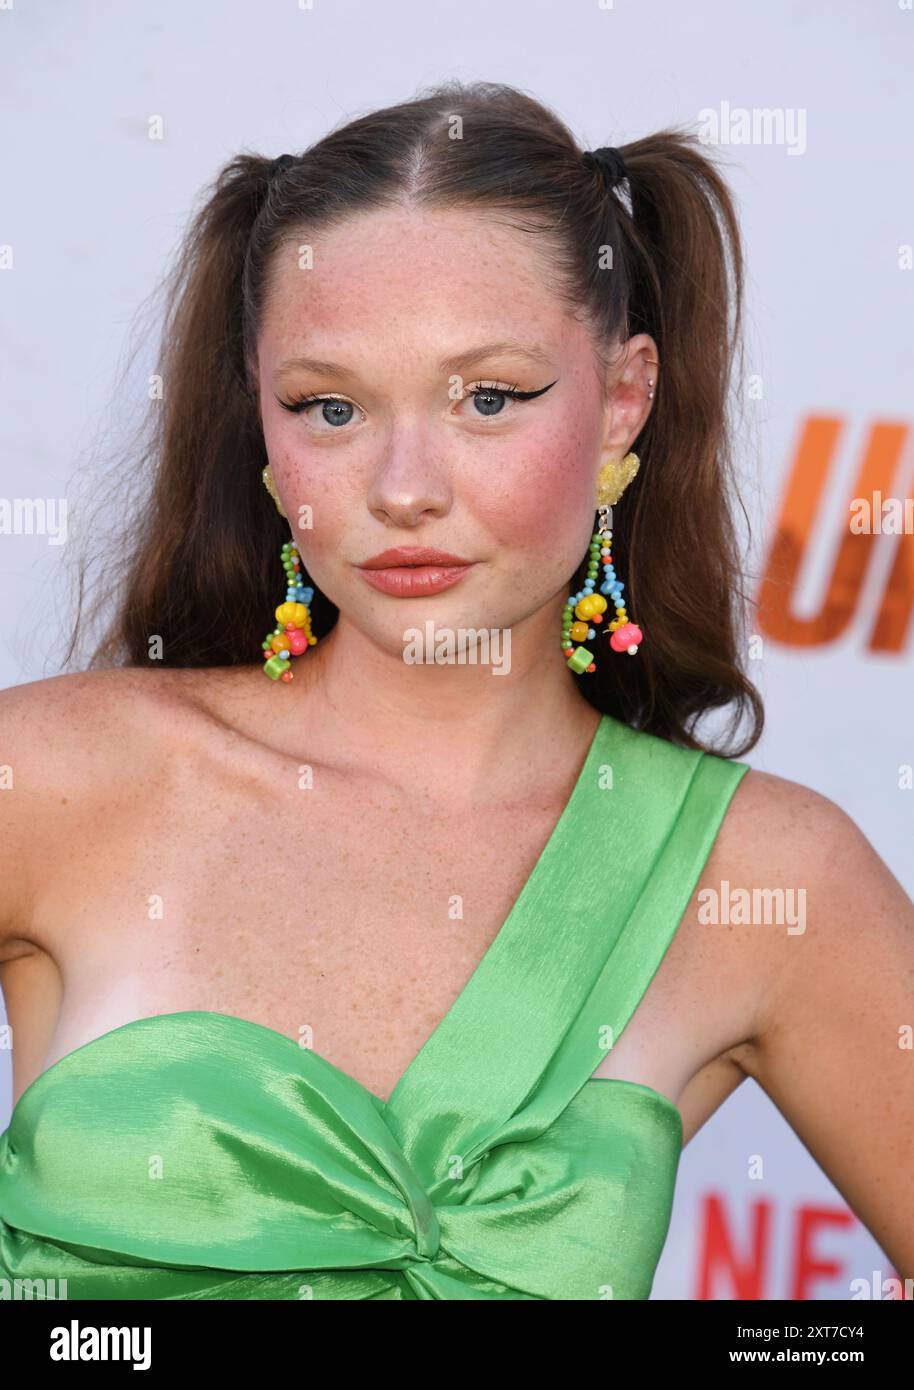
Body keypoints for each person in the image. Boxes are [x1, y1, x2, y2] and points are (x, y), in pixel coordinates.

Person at [0, 80, 911, 1300]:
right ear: (261, 429)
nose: (403, 486)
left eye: (488, 397)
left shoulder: (761, 878)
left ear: (622, 400)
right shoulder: (55, 781)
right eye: (328, 406)